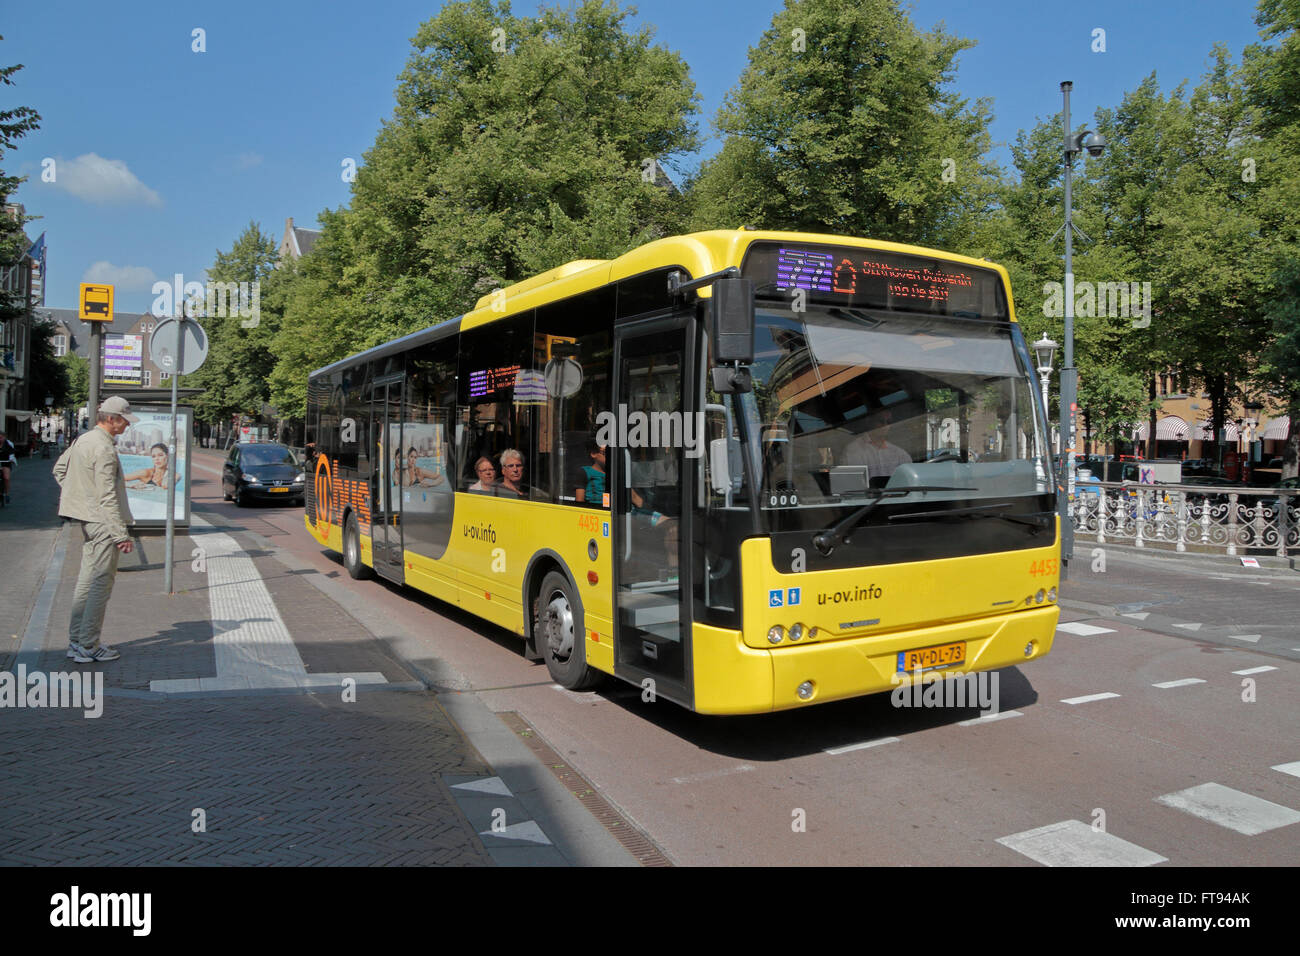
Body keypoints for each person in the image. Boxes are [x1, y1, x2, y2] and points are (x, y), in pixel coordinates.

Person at [52, 396, 137, 663]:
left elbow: (59, 470)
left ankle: (77, 641)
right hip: (103, 523)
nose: (126, 426)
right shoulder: (104, 449)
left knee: (86, 582)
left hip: (88, 519)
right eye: (124, 421)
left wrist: (80, 497)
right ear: (111, 419)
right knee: (101, 584)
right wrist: (120, 534)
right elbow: (107, 496)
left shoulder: (83, 440)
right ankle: (89, 644)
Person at [842, 408, 912, 480]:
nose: (885, 425)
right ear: (869, 421)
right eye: (881, 421)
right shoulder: (853, 449)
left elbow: (910, 480)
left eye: (888, 422)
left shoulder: (900, 454)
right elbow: (853, 482)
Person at [575, 440, 607, 505]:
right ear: (594, 454)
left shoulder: (613, 474)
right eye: (605, 453)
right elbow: (579, 502)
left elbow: (606, 502)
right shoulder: (585, 472)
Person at [0, 431, 16, 505]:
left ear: (4, 437)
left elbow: (12, 453)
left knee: (6, 478)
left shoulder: (9, 443)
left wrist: (11, 459)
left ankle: (7, 494)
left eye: (1, 437)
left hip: (6, 462)